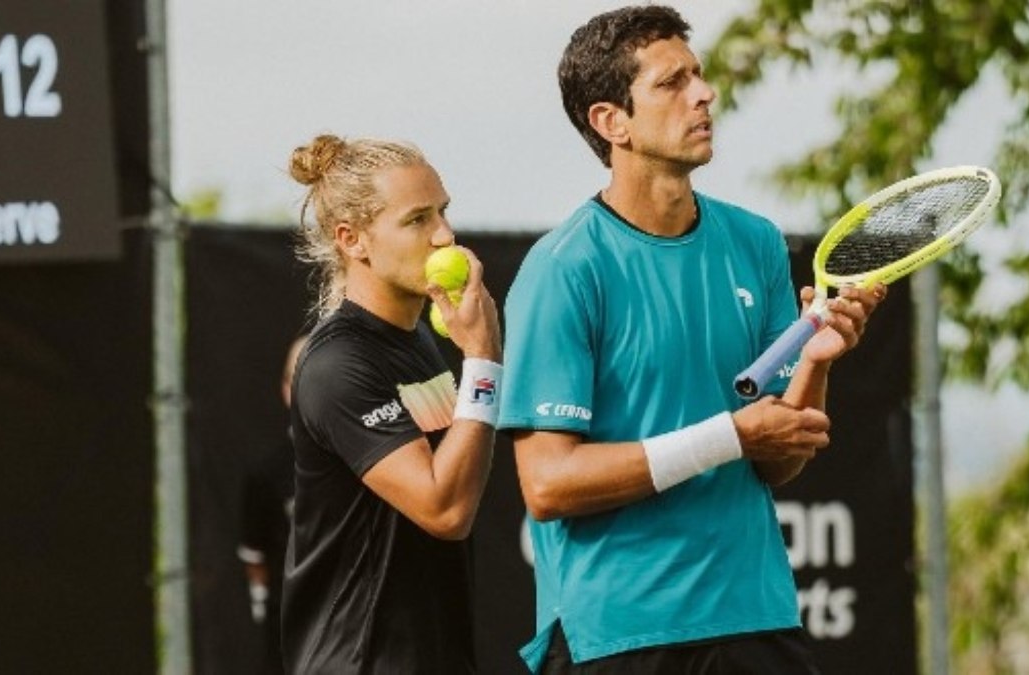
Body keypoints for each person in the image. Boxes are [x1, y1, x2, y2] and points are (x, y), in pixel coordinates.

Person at [497, 6, 887, 674]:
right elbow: (548, 483)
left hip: (756, 617)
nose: (703, 93)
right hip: (619, 635)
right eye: (671, 82)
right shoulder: (563, 269)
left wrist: (815, 364)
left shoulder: (756, 242)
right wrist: (730, 436)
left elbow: (776, 460)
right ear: (610, 122)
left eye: (698, 75)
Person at [280, 134, 503, 674]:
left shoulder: (421, 342)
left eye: (443, 212)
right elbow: (445, 509)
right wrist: (482, 359)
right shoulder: (338, 366)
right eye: (416, 220)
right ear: (352, 240)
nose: (445, 235)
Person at [237, 333, 305, 674]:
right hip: (290, 630)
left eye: (320, 378)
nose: (309, 392)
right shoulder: (266, 474)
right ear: (285, 389)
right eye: (299, 380)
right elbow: (255, 554)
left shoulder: (377, 460)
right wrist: (265, 604)